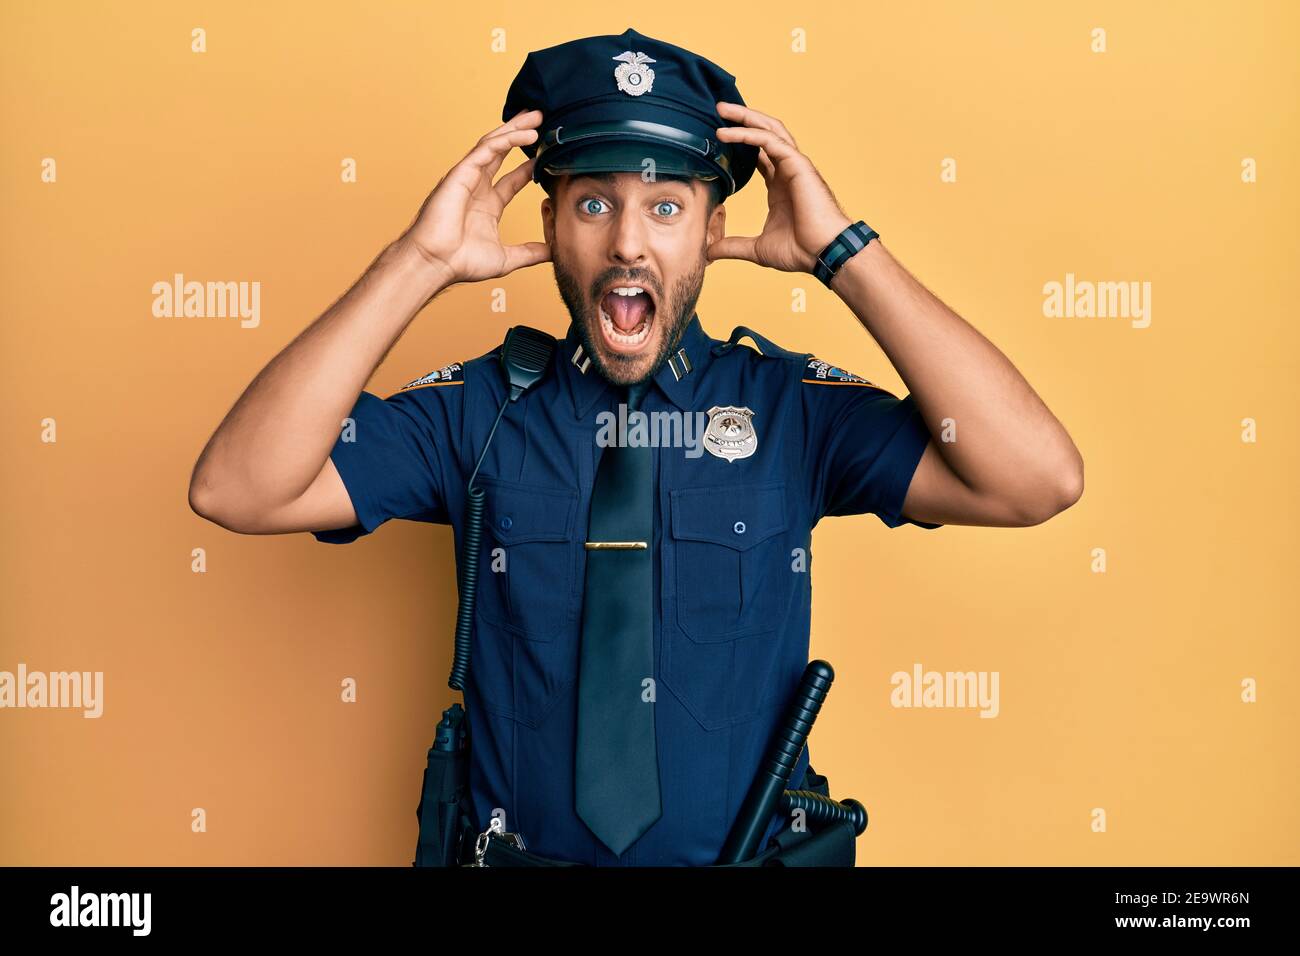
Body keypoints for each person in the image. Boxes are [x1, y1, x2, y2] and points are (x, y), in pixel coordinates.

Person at [188, 27, 1084, 866]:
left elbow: (1035, 480)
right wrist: (417, 263)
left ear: (711, 231)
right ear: (547, 230)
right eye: (591, 202)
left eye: (664, 206)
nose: (626, 242)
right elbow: (239, 489)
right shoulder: (477, 411)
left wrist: (843, 252)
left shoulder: (791, 410)